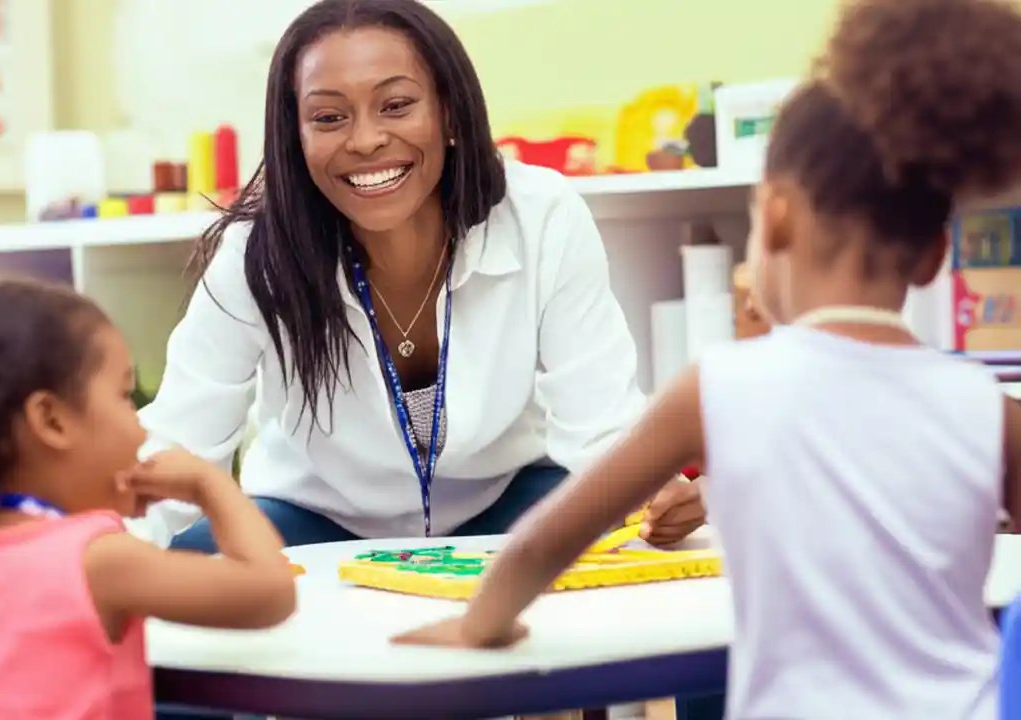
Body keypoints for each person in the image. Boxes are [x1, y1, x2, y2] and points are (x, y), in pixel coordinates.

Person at [393, 0, 1021, 718]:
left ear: (776, 217)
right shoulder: (989, 410)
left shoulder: (718, 390)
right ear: (937, 254)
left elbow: (547, 541)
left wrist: (479, 627)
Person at [133, 0, 704, 556]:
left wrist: (649, 489)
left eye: (397, 105)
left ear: (450, 112)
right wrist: (94, 544)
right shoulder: (256, 253)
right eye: (328, 117)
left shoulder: (541, 216)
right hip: (313, 516)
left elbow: (599, 420)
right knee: (183, 562)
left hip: (507, 499)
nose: (364, 140)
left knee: (625, 544)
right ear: (296, 137)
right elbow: (181, 437)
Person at [0, 279, 297, 720]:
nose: (139, 426)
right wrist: (209, 486)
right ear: (51, 421)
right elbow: (271, 593)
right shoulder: (97, 562)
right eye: (123, 396)